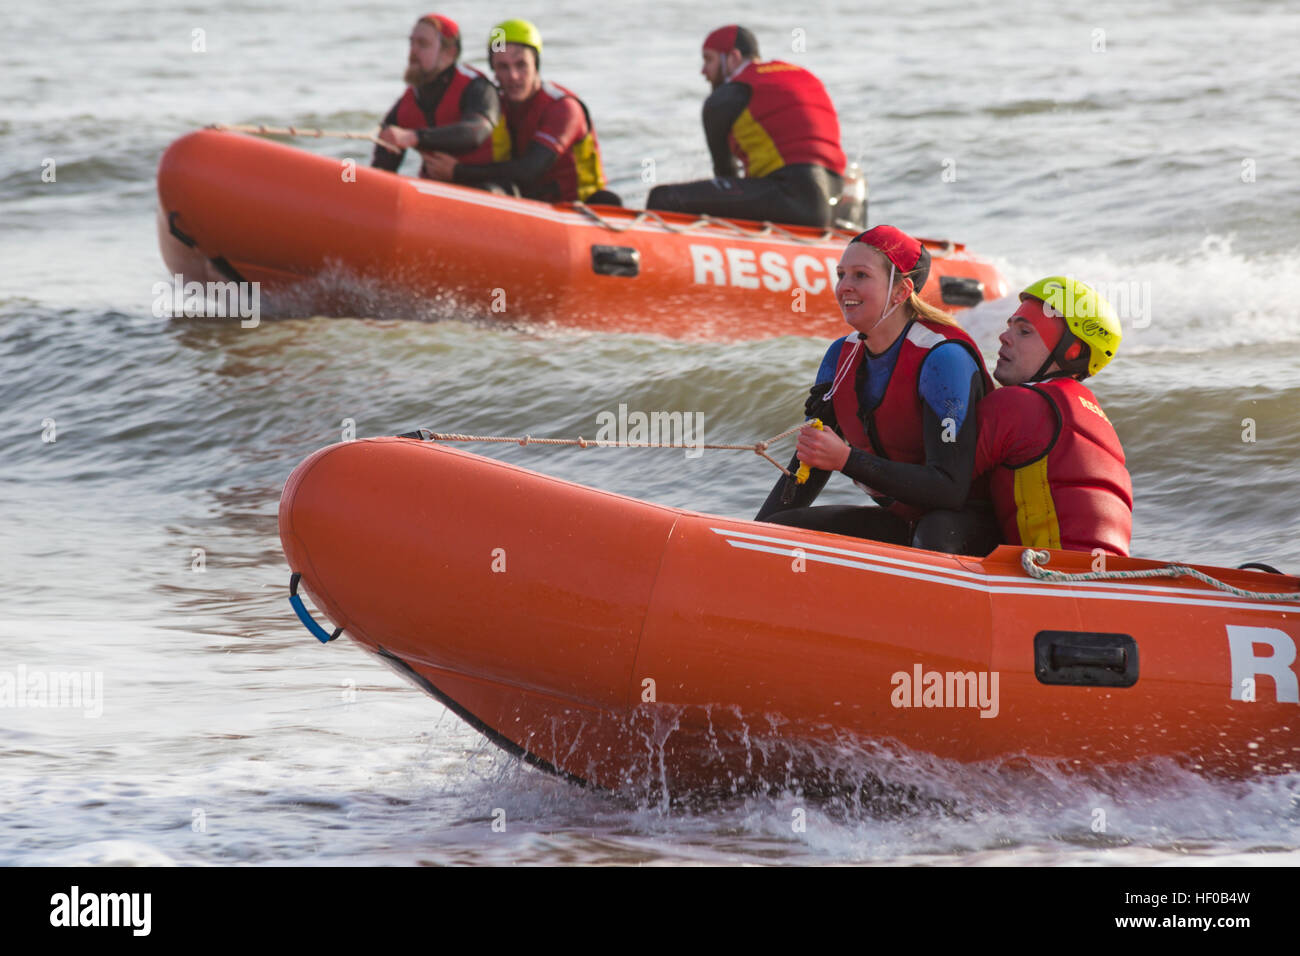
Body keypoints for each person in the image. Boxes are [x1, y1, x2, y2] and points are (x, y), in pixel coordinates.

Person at [755, 225, 998, 555]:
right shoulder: (840, 357)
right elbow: (810, 464)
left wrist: (847, 459)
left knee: (934, 533)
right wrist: (758, 534)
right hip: (904, 521)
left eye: (860, 275)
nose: (844, 287)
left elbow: (950, 489)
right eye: (841, 274)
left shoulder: (943, 358)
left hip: (969, 524)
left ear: (900, 291)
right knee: (781, 529)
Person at [972, 278, 1133, 556]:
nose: (1004, 336)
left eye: (1024, 331)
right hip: (1106, 582)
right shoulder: (1091, 413)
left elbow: (935, 487)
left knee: (943, 525)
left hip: (1057, 585)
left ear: (1070, 352)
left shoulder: (1018, 404)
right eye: (1010, 325)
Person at [646, 25, 857, 229]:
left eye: (708, 59)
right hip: (833, 200)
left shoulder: (727, 96)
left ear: (733, 57)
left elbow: (725, 174)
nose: (703, 71)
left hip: (792, 199)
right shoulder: (802, 75)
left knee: (664, 198)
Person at [422, 19, 621, 205]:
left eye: (521, 65)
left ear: (536, 65)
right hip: (528, 206)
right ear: (494, 70)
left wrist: (458, 171)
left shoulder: (564, 108)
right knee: (491, 191)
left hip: (579, 208)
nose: (513, 76)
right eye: (503, 67)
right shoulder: (492, 105)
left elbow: (530, 169)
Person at [371, 14, 509, 179]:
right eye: (411, 43)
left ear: (449, 52)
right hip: (435, 189)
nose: (413, 51)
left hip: (488, 186)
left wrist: (414, 137)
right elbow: (382, 168)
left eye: (423, 44)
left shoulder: (478, 87)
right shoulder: (408, 101)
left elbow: (475, 132)